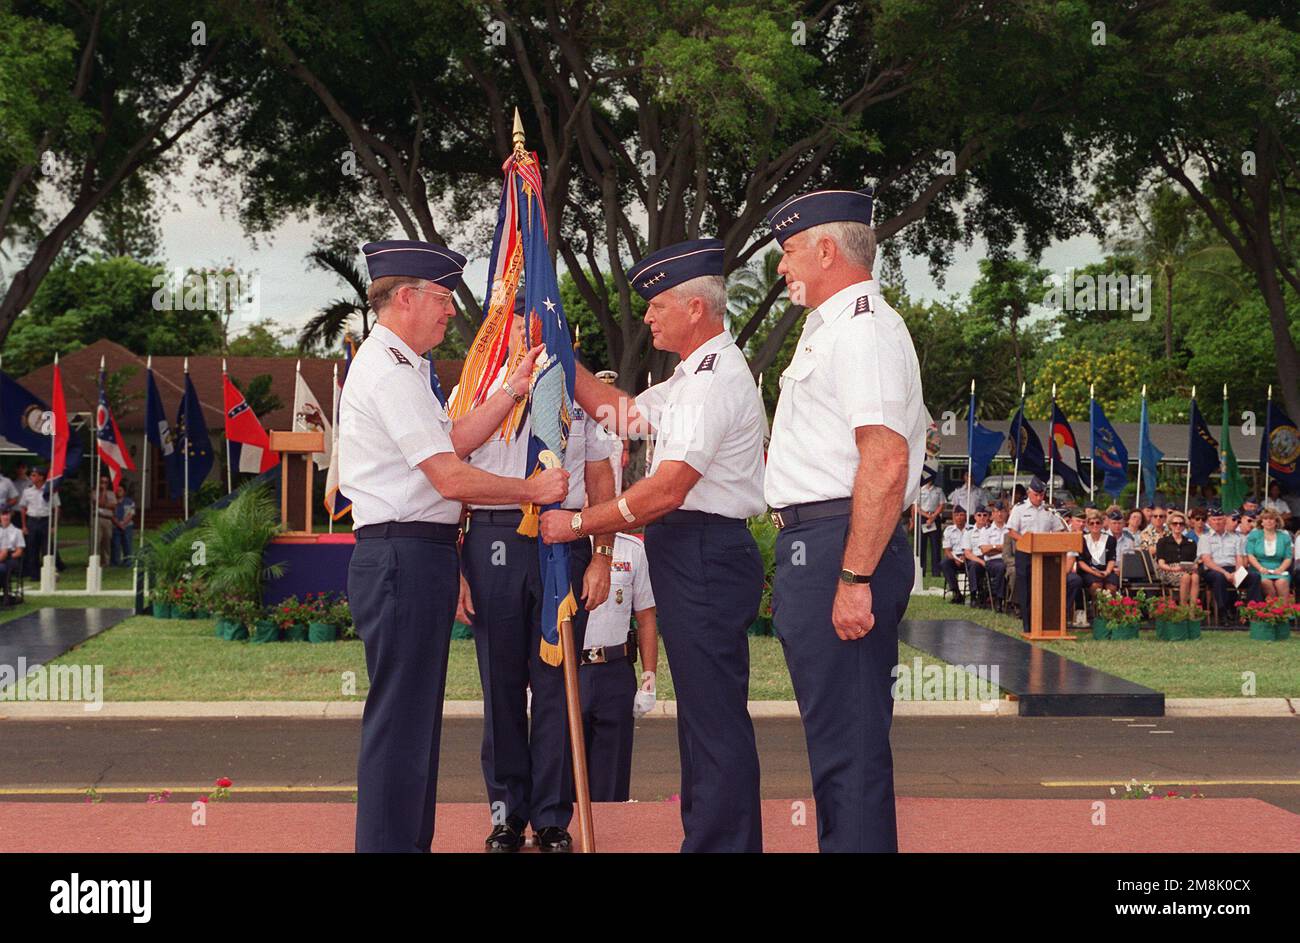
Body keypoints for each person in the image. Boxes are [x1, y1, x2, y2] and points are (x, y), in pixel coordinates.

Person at [339, 238, 569, 854]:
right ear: (406, 297)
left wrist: (513, 390)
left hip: (416, 554)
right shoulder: (387, 370)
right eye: (442, 299)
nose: (450, 312)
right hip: (401, 553)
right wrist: (529, 486)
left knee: (413, 725)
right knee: (400, 725)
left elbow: (455, 439)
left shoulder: (406, 366)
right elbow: (448, 474)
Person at [541, 237, 768, 853]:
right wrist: (562, 357)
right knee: (702, 717)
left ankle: (723, 844)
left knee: (713, 720)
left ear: (696, 308)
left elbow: (667, 489)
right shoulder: (693, 374)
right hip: (694, 550)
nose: (646, 316)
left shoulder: (712, 380)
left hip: (704, 547)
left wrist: (582, 523)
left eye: (657, 305)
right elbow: (622, 416)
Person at [761, 187, 926, 853]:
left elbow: (884, 459)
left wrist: (854, 575)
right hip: (821, 541)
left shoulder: (862, 330)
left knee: (849, 749)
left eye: (790, 251)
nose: (782, 267)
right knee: (836, 744)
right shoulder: (831, 326)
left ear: (827, 250)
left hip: (842, 543)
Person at [456, 295, 617, 855]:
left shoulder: (577, 389)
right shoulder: (478, 389)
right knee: (500, 687)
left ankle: (551, 817)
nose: (532, 334)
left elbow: (600, 477)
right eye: (523, 326)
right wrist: (459, 569)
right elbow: (452, 477)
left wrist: (601, 555)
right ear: (504, 331)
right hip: (493, 540)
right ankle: (506, 815)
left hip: (561, 539)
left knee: (555, 688)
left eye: (545, 324)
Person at [577, 531, 658, 802]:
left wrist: (649, 679)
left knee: (612, 778)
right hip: (568, 670)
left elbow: (646, 618)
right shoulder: (562, 543)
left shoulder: (633, 549)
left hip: (614, 670)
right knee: (563, 771)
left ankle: (610, 838)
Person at [1006, 476, 1066, 633]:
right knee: (1026, 590)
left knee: (1044, 589)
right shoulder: (1019, 509)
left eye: (1042, 495)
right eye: (1036, 495)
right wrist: (1028, 541)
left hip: (1045, 555)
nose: (1039, 498)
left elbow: (1059, 530)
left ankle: (1044, 623)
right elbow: (1012, 531)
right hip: (1025, 554)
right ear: (1029, 493)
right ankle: (1027, 625)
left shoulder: (1048, 511)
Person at [1199, 507, 1262, 623]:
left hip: (1233, 569)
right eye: (1214, 519)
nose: (1217, 522)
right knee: (1219, 577)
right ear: (1209, 521)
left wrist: (1238, 572)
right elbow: (1207, 561)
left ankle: (1251, 613)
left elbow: (1239, 558)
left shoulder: (1235, 537)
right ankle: (1224, 613)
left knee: (1254, 577)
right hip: (1214, 571)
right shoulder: (1204, 538)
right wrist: (1225, 573)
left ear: (1225, 520)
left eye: (1220, 519)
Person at [1245, 509, 1293, 603]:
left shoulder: (1284, 536)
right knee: (1266, 582)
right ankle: (1271, 613)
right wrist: (1260, 568)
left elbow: (1288, 557)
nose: (1269, 521)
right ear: (1261, 522)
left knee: (1282, 583)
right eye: (1265, 519)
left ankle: (1284, 613)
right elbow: (1250, 555)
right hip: (1259, 569)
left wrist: (1281, 569)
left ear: (1276, 521)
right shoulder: (1254, 535)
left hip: (1279, 569)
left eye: (1271, 519)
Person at [964, 505, 1007, 611]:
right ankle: (975, 595)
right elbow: (980, 551)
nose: (982, 517)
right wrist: (999, 547)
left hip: (1003, 558)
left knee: (1005, 567)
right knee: (974, 566)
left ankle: (994, 595)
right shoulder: (975, 532)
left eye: (984, 515)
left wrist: (992, 548)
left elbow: (1009, 549)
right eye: (979, 515)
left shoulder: (1009, 529)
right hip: (983, 559)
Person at [1155, 511, 1200, 605]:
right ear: (1170, 525)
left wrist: (1195, 566)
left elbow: (1195, 561)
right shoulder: (1163, 541)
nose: (1178, 526)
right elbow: (1161, 563)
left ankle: (1192, 609)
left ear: (1184, 526)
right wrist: (1174, 569)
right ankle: (1183, 607)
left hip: (1187, 569)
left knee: (1195, 577)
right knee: (1186, 577)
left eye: (1181, 523)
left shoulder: (1191, 543)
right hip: (1169, 570)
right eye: (1175, 523)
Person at [17, 468, 54, 580]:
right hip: (32, 521)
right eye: (31, 475)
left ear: (41, 477)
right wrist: (24, 526)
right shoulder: (27, 491)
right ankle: (34, 574)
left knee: (46, 549)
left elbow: (56, 508)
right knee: (32, 548)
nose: (31, 478)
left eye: (34, 475)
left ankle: (48, 574)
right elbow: (23, 508)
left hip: (45, 520)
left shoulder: (49, 490)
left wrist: (53, 525)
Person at [1077, 509, 1119, 603]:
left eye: (1097, 522)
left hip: (1106, 570)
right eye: (1091, 523)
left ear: (1101, 524)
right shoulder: (1082, 540)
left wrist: (1107, 572)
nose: (1095, 525)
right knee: (1096, 586)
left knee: (1111, 587)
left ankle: (1109, 611)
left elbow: (1112, 559)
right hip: (1089, 572)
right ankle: (1096, 610)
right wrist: (1094, 572)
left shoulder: (1110, 539)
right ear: (1087, 525)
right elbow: (1080, 562)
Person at [940, 505, 971, 604]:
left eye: (962, 515)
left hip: (969, 557)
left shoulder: (971, 529)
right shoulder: (949, 530)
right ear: (953, 517)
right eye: (957, 515)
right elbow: (947, 550)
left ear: (966, 516)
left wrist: (966, 556)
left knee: (976, 565)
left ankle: (976, 593)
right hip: (954, 557)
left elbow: (975, 547)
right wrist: (955, 559)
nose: (959, 517)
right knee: (945, 563)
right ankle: (956, 592)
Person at [917, 475, 945, 576]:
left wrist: (933, 516)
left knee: (935, 546)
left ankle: (936, 571)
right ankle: (921, 571)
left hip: (935, 517)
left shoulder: (938, 490)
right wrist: (927, 516)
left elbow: (941, 504)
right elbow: (916, 507)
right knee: (921, 546)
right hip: (923, 517)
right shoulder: (919, 490)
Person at [0, 507, 24, 602]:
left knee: (5, 568)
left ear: (11, 515)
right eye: (3, 514)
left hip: (11, 557)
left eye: (7, 514)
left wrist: (7, 556)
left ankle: (6, 592)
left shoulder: (17, 532)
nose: (5, 517)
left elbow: (19, 551)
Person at [111, 480, 136, 566]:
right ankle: (115, 562)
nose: (119, 492)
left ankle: (128, 562)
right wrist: (118, 524)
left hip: (127, 526)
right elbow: (111, 514)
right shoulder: (113, 502)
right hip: (116, 526)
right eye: (117, 490)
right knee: (116, 545)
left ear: (124, 492)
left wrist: (123, 523)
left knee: (127, 544)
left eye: (120, 490)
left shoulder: (129, 502)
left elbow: (131, 514)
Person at [95, 472, 116, 563]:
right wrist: (103, 492)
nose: (103, 484)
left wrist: (105, 505)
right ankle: (95, 561)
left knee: (107, 541)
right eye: (102, 482)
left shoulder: (111, 493)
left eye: (105, 482)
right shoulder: (94, 493)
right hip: (98, 519)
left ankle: (106, 561)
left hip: (108, 519)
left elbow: (114, 506)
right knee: (96, 541)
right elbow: (100, 503)